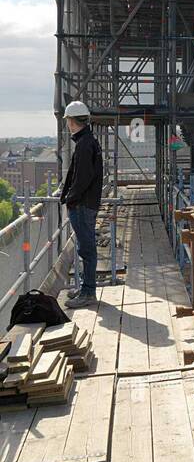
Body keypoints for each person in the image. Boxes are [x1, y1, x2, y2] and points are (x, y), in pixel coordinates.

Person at [59, 100, 103, 308]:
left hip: (83, 205)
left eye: (68, 120)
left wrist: (70, 198)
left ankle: (88, 292)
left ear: (73, 121)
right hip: (86, 204)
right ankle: (87, 288)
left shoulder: (85, 144)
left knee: (87, 249)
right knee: (87, 248)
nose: (67, 124)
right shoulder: (88, 142)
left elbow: (83, 177)